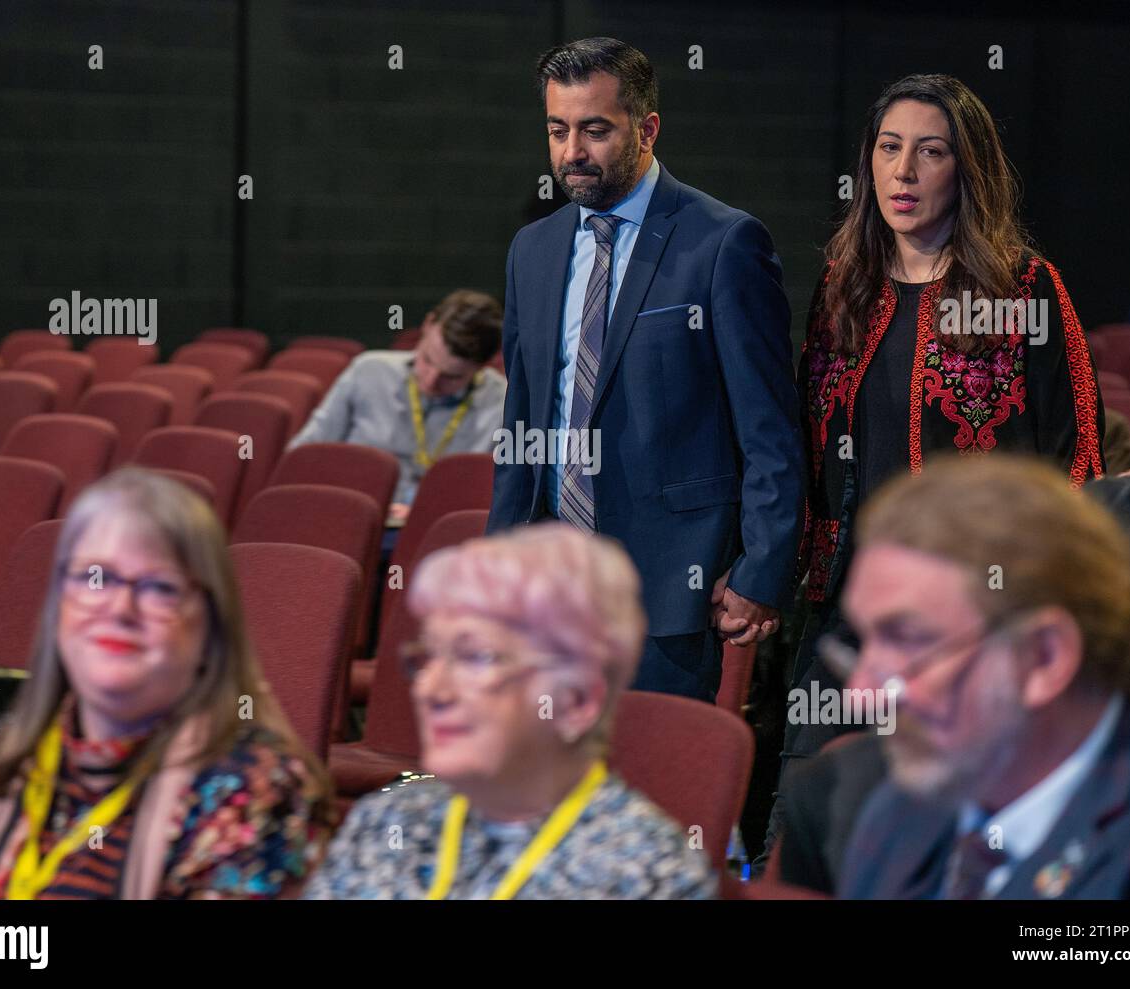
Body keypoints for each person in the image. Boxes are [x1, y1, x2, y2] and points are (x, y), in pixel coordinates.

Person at [775, 73, 1106, 844]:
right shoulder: (843, 284)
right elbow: (805, 442)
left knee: (943, 838)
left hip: (975, 619)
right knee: (804, 827)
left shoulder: (1024, 286)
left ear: (968, 169)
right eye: (889, 149)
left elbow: (1075, 457)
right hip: (849, 608)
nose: (904, 172)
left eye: (930, 153)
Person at [486, 37, 803, 702]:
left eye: (595, 130)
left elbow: (769, 427)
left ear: (647, 128)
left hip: (668, 590)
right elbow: (522, 424)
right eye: (558, 129)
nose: (573, 151)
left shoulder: (722, 243)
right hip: (549, 587)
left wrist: (762, 570)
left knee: (651, 796)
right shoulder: (533, 250)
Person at [0, 468, 330, 899]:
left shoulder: (256, 794)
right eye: (93, 578)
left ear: (211, 623)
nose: (120, 608)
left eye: (160, 587)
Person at [833, 455, 1130, 899]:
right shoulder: (898, 811)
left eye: (909, 642)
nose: (861, 695)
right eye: (862, 642)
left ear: (1044, 658)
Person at [303, 523, 716, 899]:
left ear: (576, 703)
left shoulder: (647, 876)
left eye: (475, 657)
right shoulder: (385, 824)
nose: (432, 688)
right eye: (428, 657)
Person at [287, 288, 507, 528]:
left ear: (483, 366)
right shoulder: (368, 371)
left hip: (438, 531)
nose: (430, 381)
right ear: (428, 324)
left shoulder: (501, 402)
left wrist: (422, 511)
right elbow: (303, 457)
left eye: (452, 377)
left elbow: (496, 497)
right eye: (428, 360)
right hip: (352, 519)